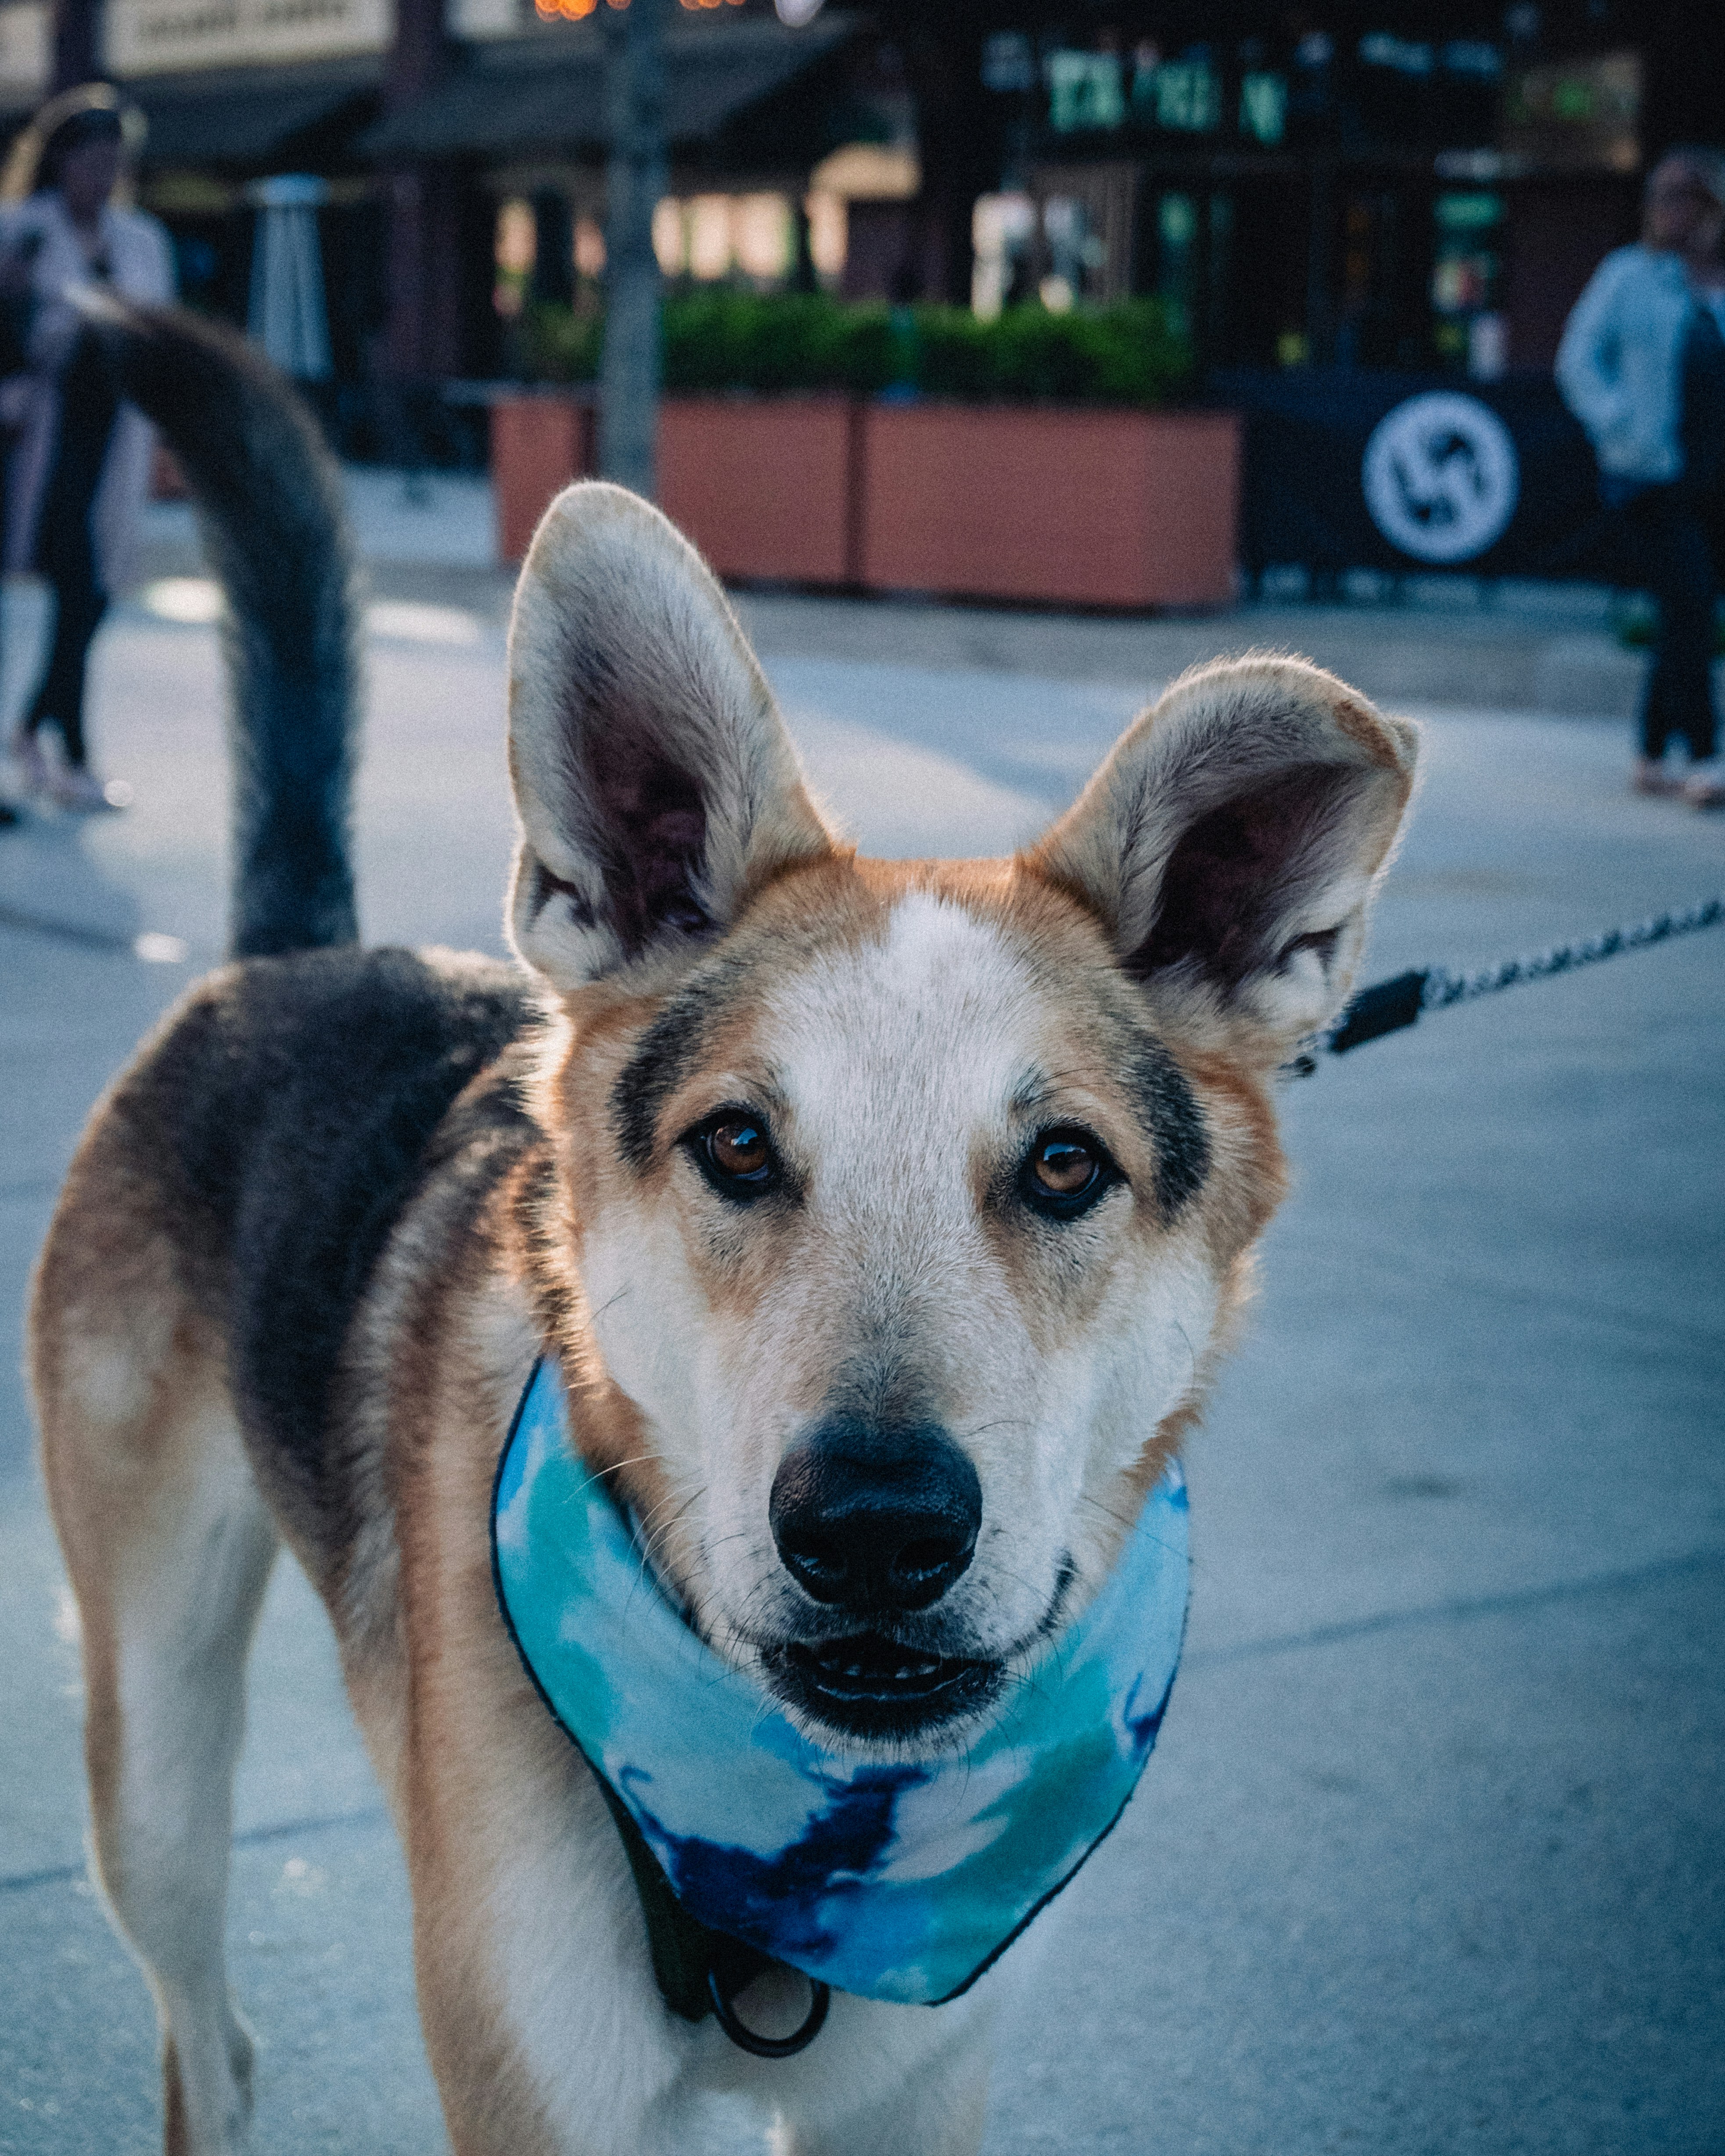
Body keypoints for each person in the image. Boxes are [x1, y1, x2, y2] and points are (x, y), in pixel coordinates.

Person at [0, 85, 172, 814]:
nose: (102, 177)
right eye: (90, 160)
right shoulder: (21, 232)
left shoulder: (140, 241)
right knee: (71, 588)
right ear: (59, 161)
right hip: (28, 441)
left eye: (114, 162)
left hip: (108, 438)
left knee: (90, 592)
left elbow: (158, 333)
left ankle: (43, 734)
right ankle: (57, 746)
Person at [1557, 149, 1725, 809]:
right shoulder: (1628, 275)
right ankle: (1705, 753)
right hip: (1651, 475)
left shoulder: (1715, 282)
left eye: (1685, 196)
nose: (1670, 209)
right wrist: (1619, 424)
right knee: (1689, 602)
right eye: (1661, 195)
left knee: (1687, 609)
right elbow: (1578, 360)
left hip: (1714, 478)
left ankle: (1651, 751)